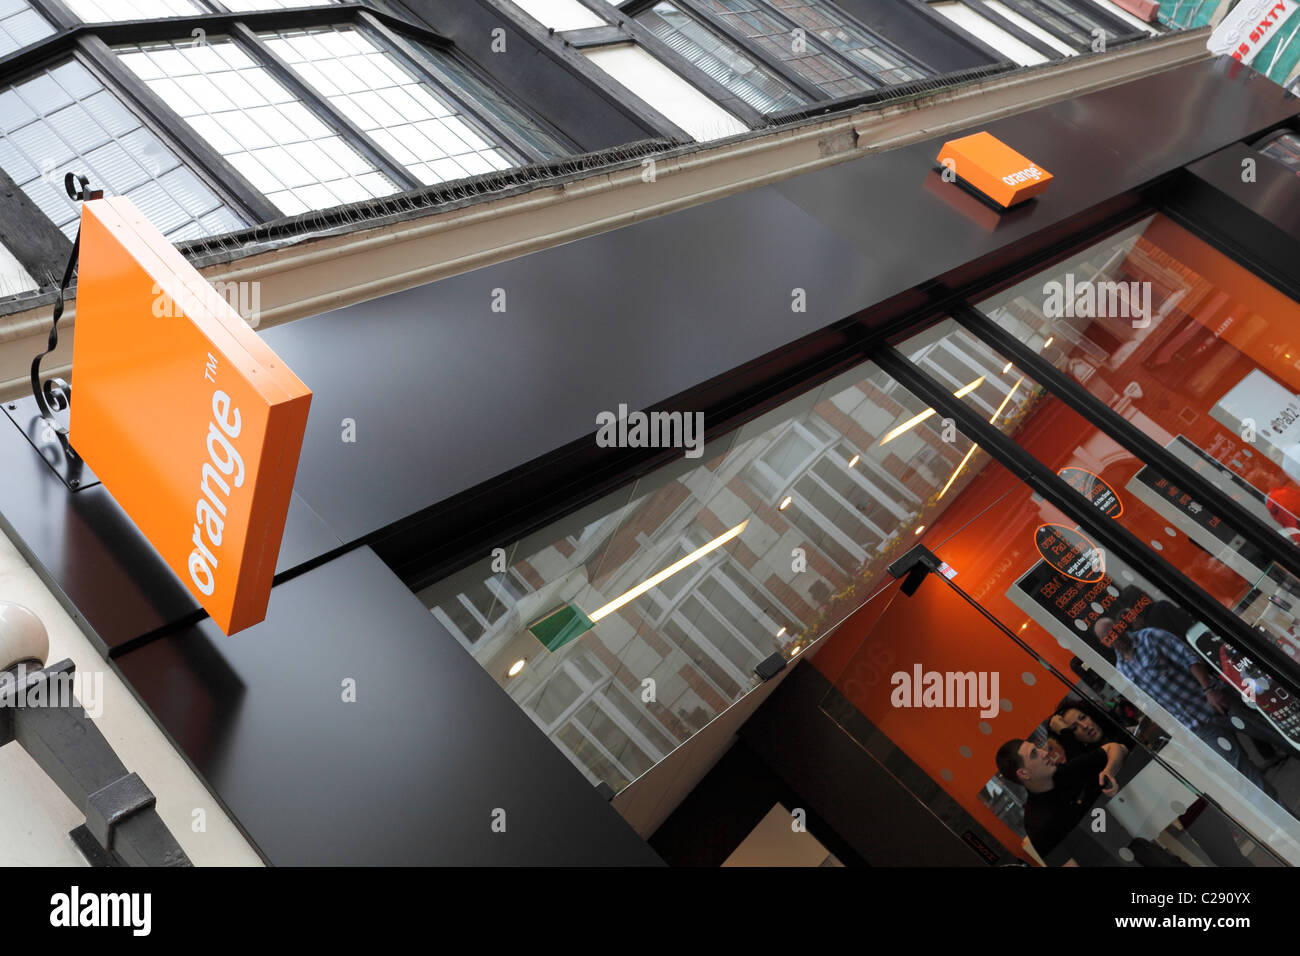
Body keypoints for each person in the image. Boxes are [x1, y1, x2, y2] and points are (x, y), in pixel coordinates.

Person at [1096, 617, 1291, 809]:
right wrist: (1179, 732)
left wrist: (1209, 689)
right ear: (1104, 643)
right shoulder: (1122, 668)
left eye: (1114, 630)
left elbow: (1188, 658)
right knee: (1241, 773)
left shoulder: (1150, 637)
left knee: (1274, 734)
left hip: (1215, 704)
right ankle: (1288, 821)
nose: (1114, 637)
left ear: (1120, 624)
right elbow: (1151, 702)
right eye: (1107, 637)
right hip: (1196, 725)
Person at [996, 736, 1128, 866]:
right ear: (1023, 773)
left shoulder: (1064, 772)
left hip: (1128, 844)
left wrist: (1109, 770)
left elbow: (1115, 748)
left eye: (1037, 748)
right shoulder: (1036, 823)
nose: (1044, 753)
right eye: (1034, 754)